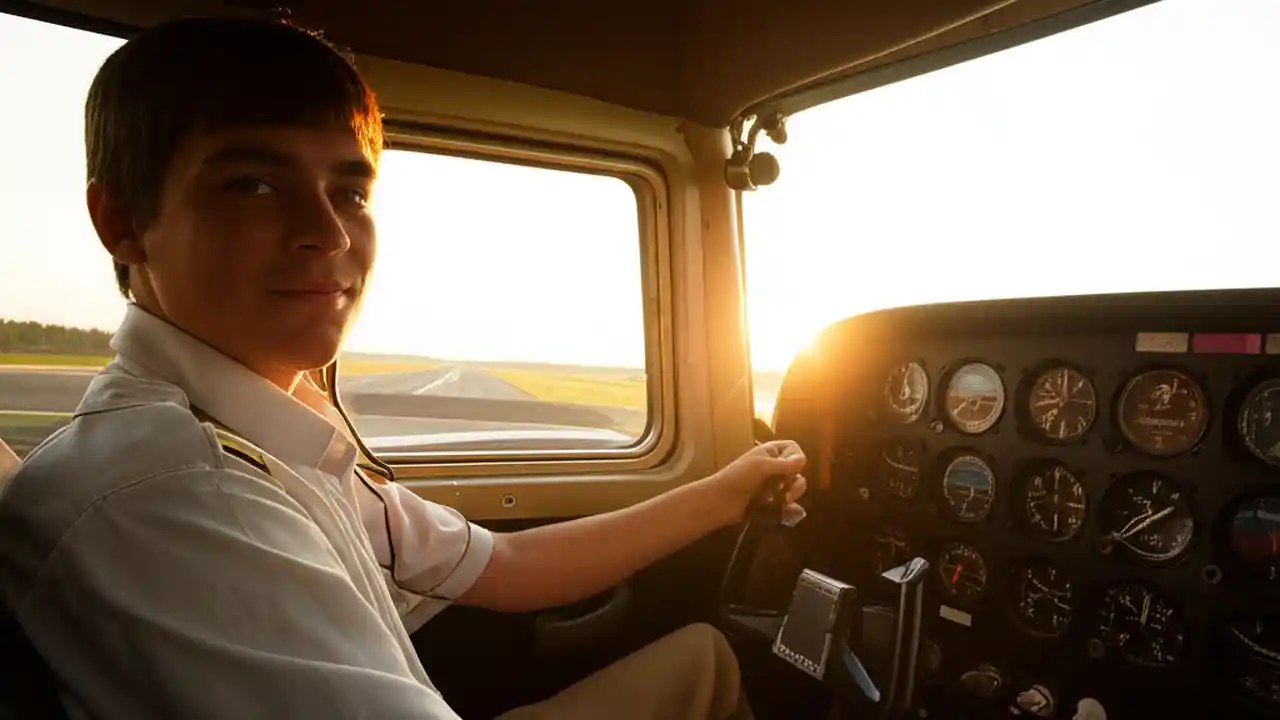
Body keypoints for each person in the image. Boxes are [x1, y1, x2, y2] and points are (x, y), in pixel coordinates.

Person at [0, 17, 807, 720]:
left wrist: (724, 492)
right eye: (253, 184)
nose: (328, 232)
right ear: (122, 223)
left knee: (704, 656)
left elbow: (507, 565)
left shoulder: (263, 429)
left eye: (350, 193)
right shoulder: (182, 492)